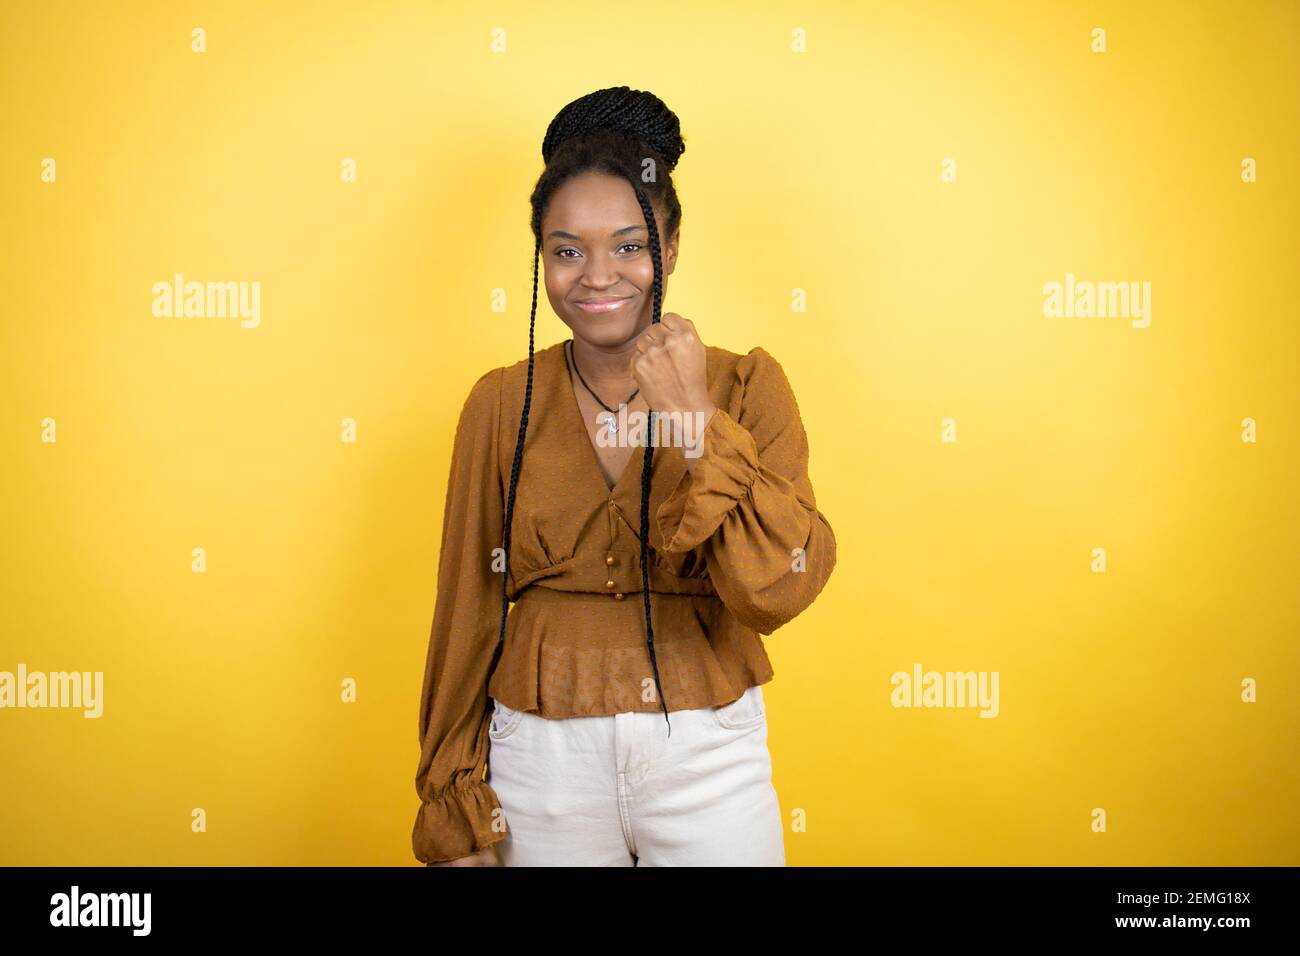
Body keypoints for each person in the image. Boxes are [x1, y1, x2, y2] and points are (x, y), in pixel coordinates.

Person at [413, 86, 836, 866]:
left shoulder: (747, 386)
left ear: (670, 251)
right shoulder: (500, 403)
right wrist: (453, 801)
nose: (596, 276)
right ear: (542, 256)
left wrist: (692, 417)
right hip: (538, 761)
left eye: (629, 246)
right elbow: (467, 605)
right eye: (566, 249)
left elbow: (775, 588)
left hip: (709, 753)